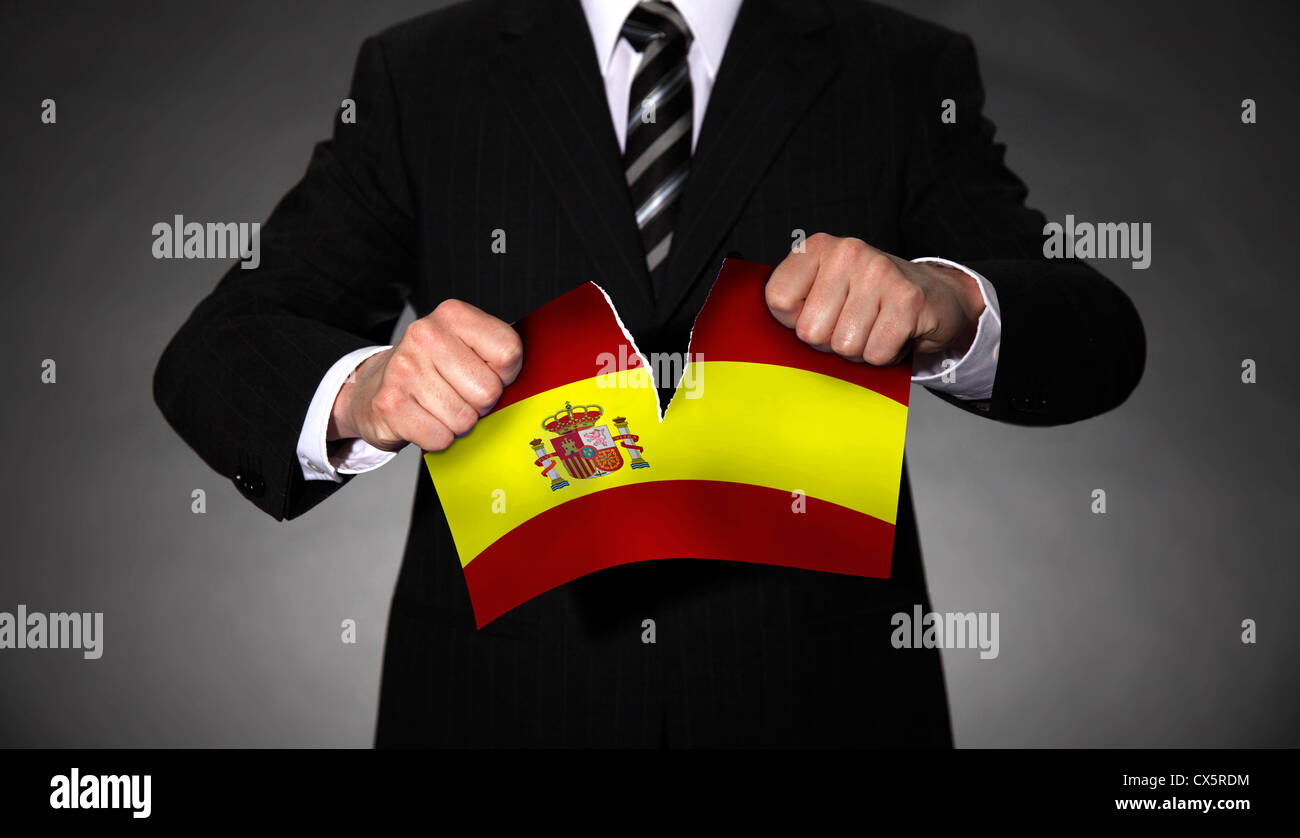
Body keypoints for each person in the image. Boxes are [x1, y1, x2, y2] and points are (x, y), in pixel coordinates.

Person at [154, 0, 1144, 746]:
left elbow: (1096, 332)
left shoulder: (897, 66)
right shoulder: (424, 74)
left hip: (820, 703)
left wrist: (947, 305)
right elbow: (220, 346)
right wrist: (364, 392)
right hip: (498, 704)